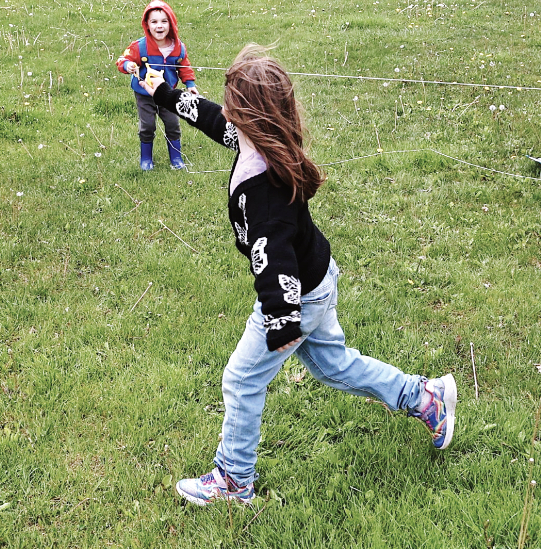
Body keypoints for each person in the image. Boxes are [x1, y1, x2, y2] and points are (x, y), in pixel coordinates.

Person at [139, 44, 458, 507]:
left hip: (295, 298)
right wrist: (165, 92)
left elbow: (275, 261)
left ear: (252, 116)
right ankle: (425, 398)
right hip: (316, 279)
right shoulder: (259, 140)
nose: (224, 109)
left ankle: (233, 480)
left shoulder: (265, 192)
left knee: (242, 379)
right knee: (337, 366)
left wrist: (282, 319)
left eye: (232, 103)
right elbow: (213, 120)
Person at [116, 0, 198, 170]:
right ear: (147, 25)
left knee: (173, 124)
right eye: (154, 22)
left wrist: (190, 84)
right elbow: (123, 59)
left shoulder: (178, 47)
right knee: (147, 126)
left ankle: (176, 158)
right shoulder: (139, 47)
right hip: (145, 94)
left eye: (164, 21)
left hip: (167, 94)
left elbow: (184, 66)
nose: (159, 26)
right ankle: (146, 159)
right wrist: (127, 65)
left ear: (171, 23)